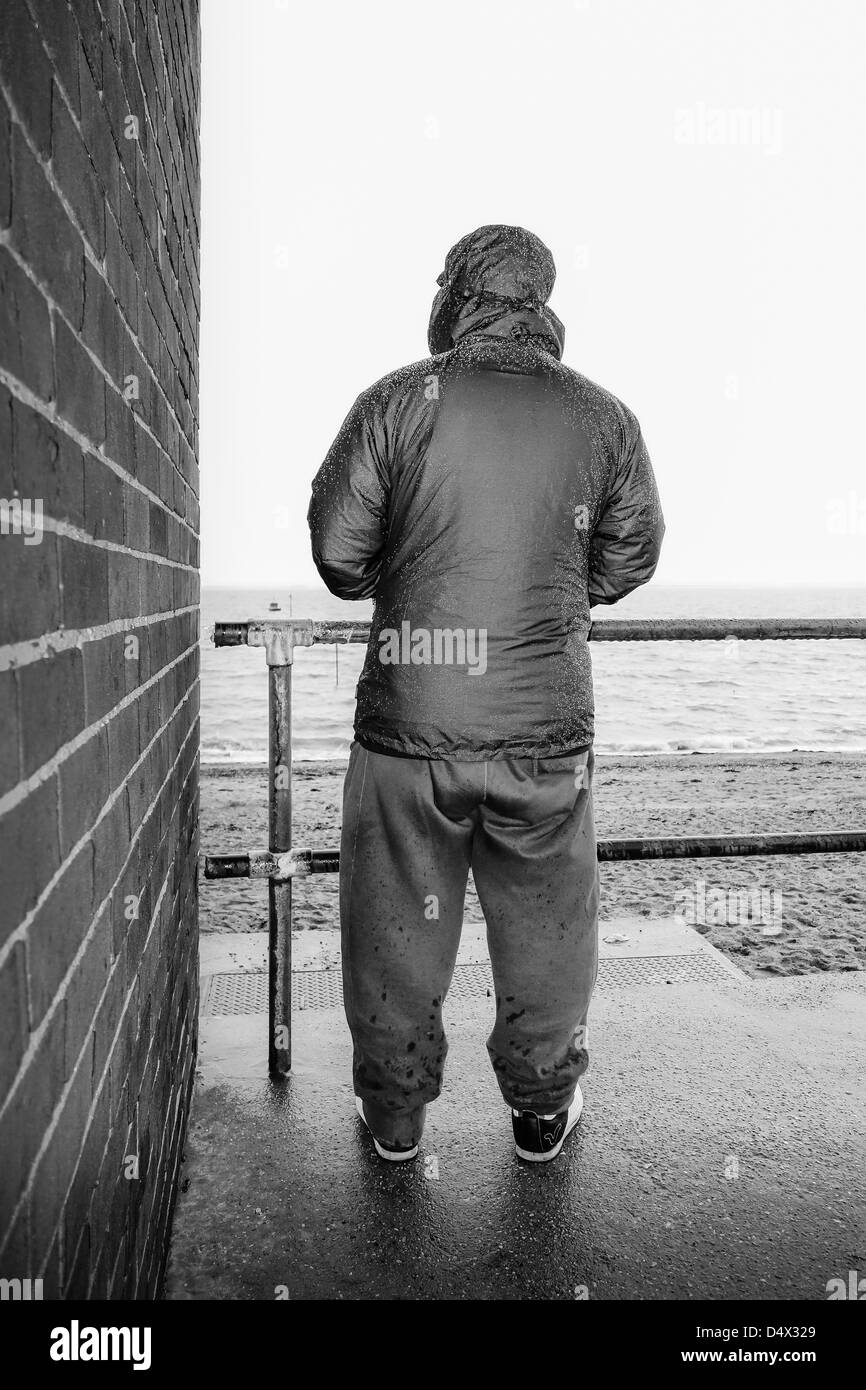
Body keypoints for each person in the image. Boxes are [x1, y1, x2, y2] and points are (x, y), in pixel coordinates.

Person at [308, 225, 664, 1163]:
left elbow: (341, 559)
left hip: (406, 730)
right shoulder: (602, 418)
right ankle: (542, 1114)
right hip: (543, 733)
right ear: (538, 301)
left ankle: (393, 1121)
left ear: (458, 290)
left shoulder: (395, 401)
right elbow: (630, 556)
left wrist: (421, 570)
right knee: (548, 927)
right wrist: (541, 593)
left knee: (393, 931)